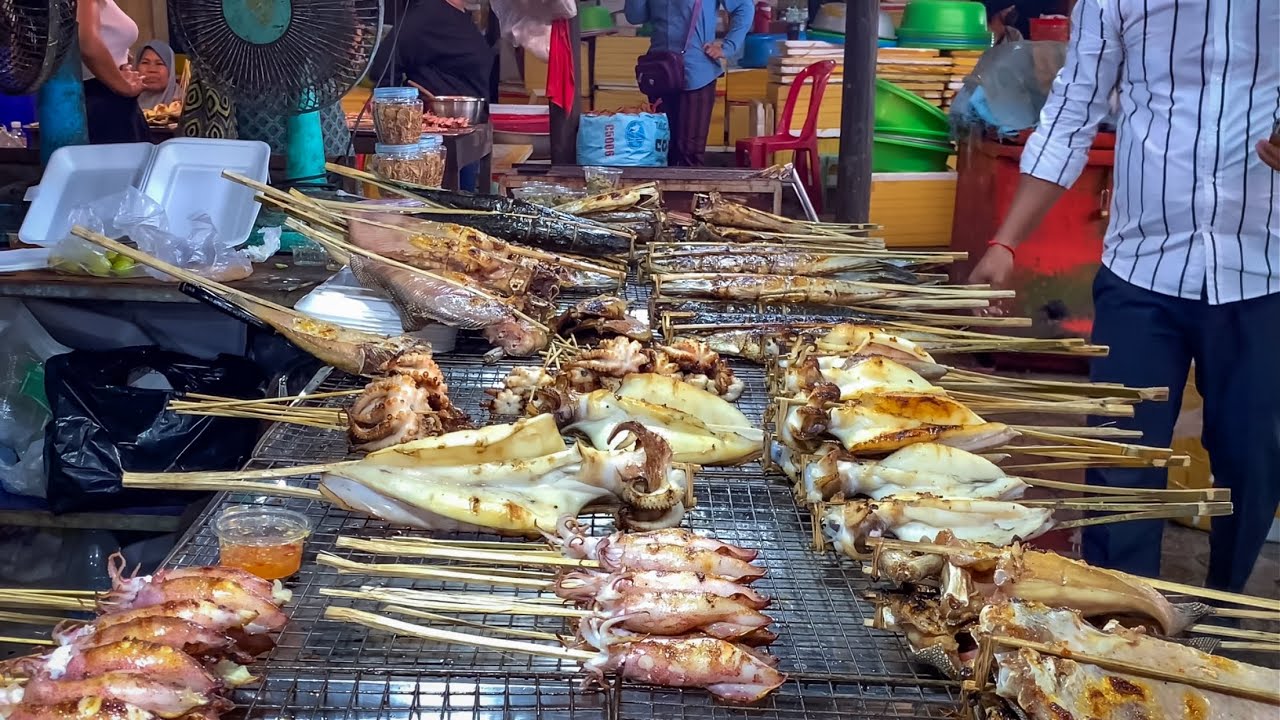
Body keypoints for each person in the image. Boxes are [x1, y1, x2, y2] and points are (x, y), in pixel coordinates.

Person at [967, 0, 1279, 593]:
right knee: (1122, 458)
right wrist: (1005, 241)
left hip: (1263, 265)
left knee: (1252, 459)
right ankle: (1125, 618)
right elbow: (1070, 112)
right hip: (1142, 268)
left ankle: (1224, 607)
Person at [625, 0, 752, 167]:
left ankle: (687, 193)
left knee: (689, 152)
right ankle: (662, 192)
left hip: (695, 73)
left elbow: (745, 7)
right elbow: (635, 17)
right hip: (661, 72)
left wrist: (727, 47)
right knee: (661, 149)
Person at [368, 0, 494, 100]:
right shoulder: (427, 13)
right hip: (441, 125)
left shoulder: (460, 14)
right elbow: (386, 61)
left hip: (470, 123)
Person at [78, 0, 147, 143]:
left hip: (111, 98)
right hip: (102, 99)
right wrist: (124, 86)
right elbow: (87, 44)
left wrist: (123, 59)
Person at [135, 41, 179, 110]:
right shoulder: (126, 103)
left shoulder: (184, 103)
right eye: (145, 62)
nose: (152, 69)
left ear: (171, 70)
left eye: (159, 63)